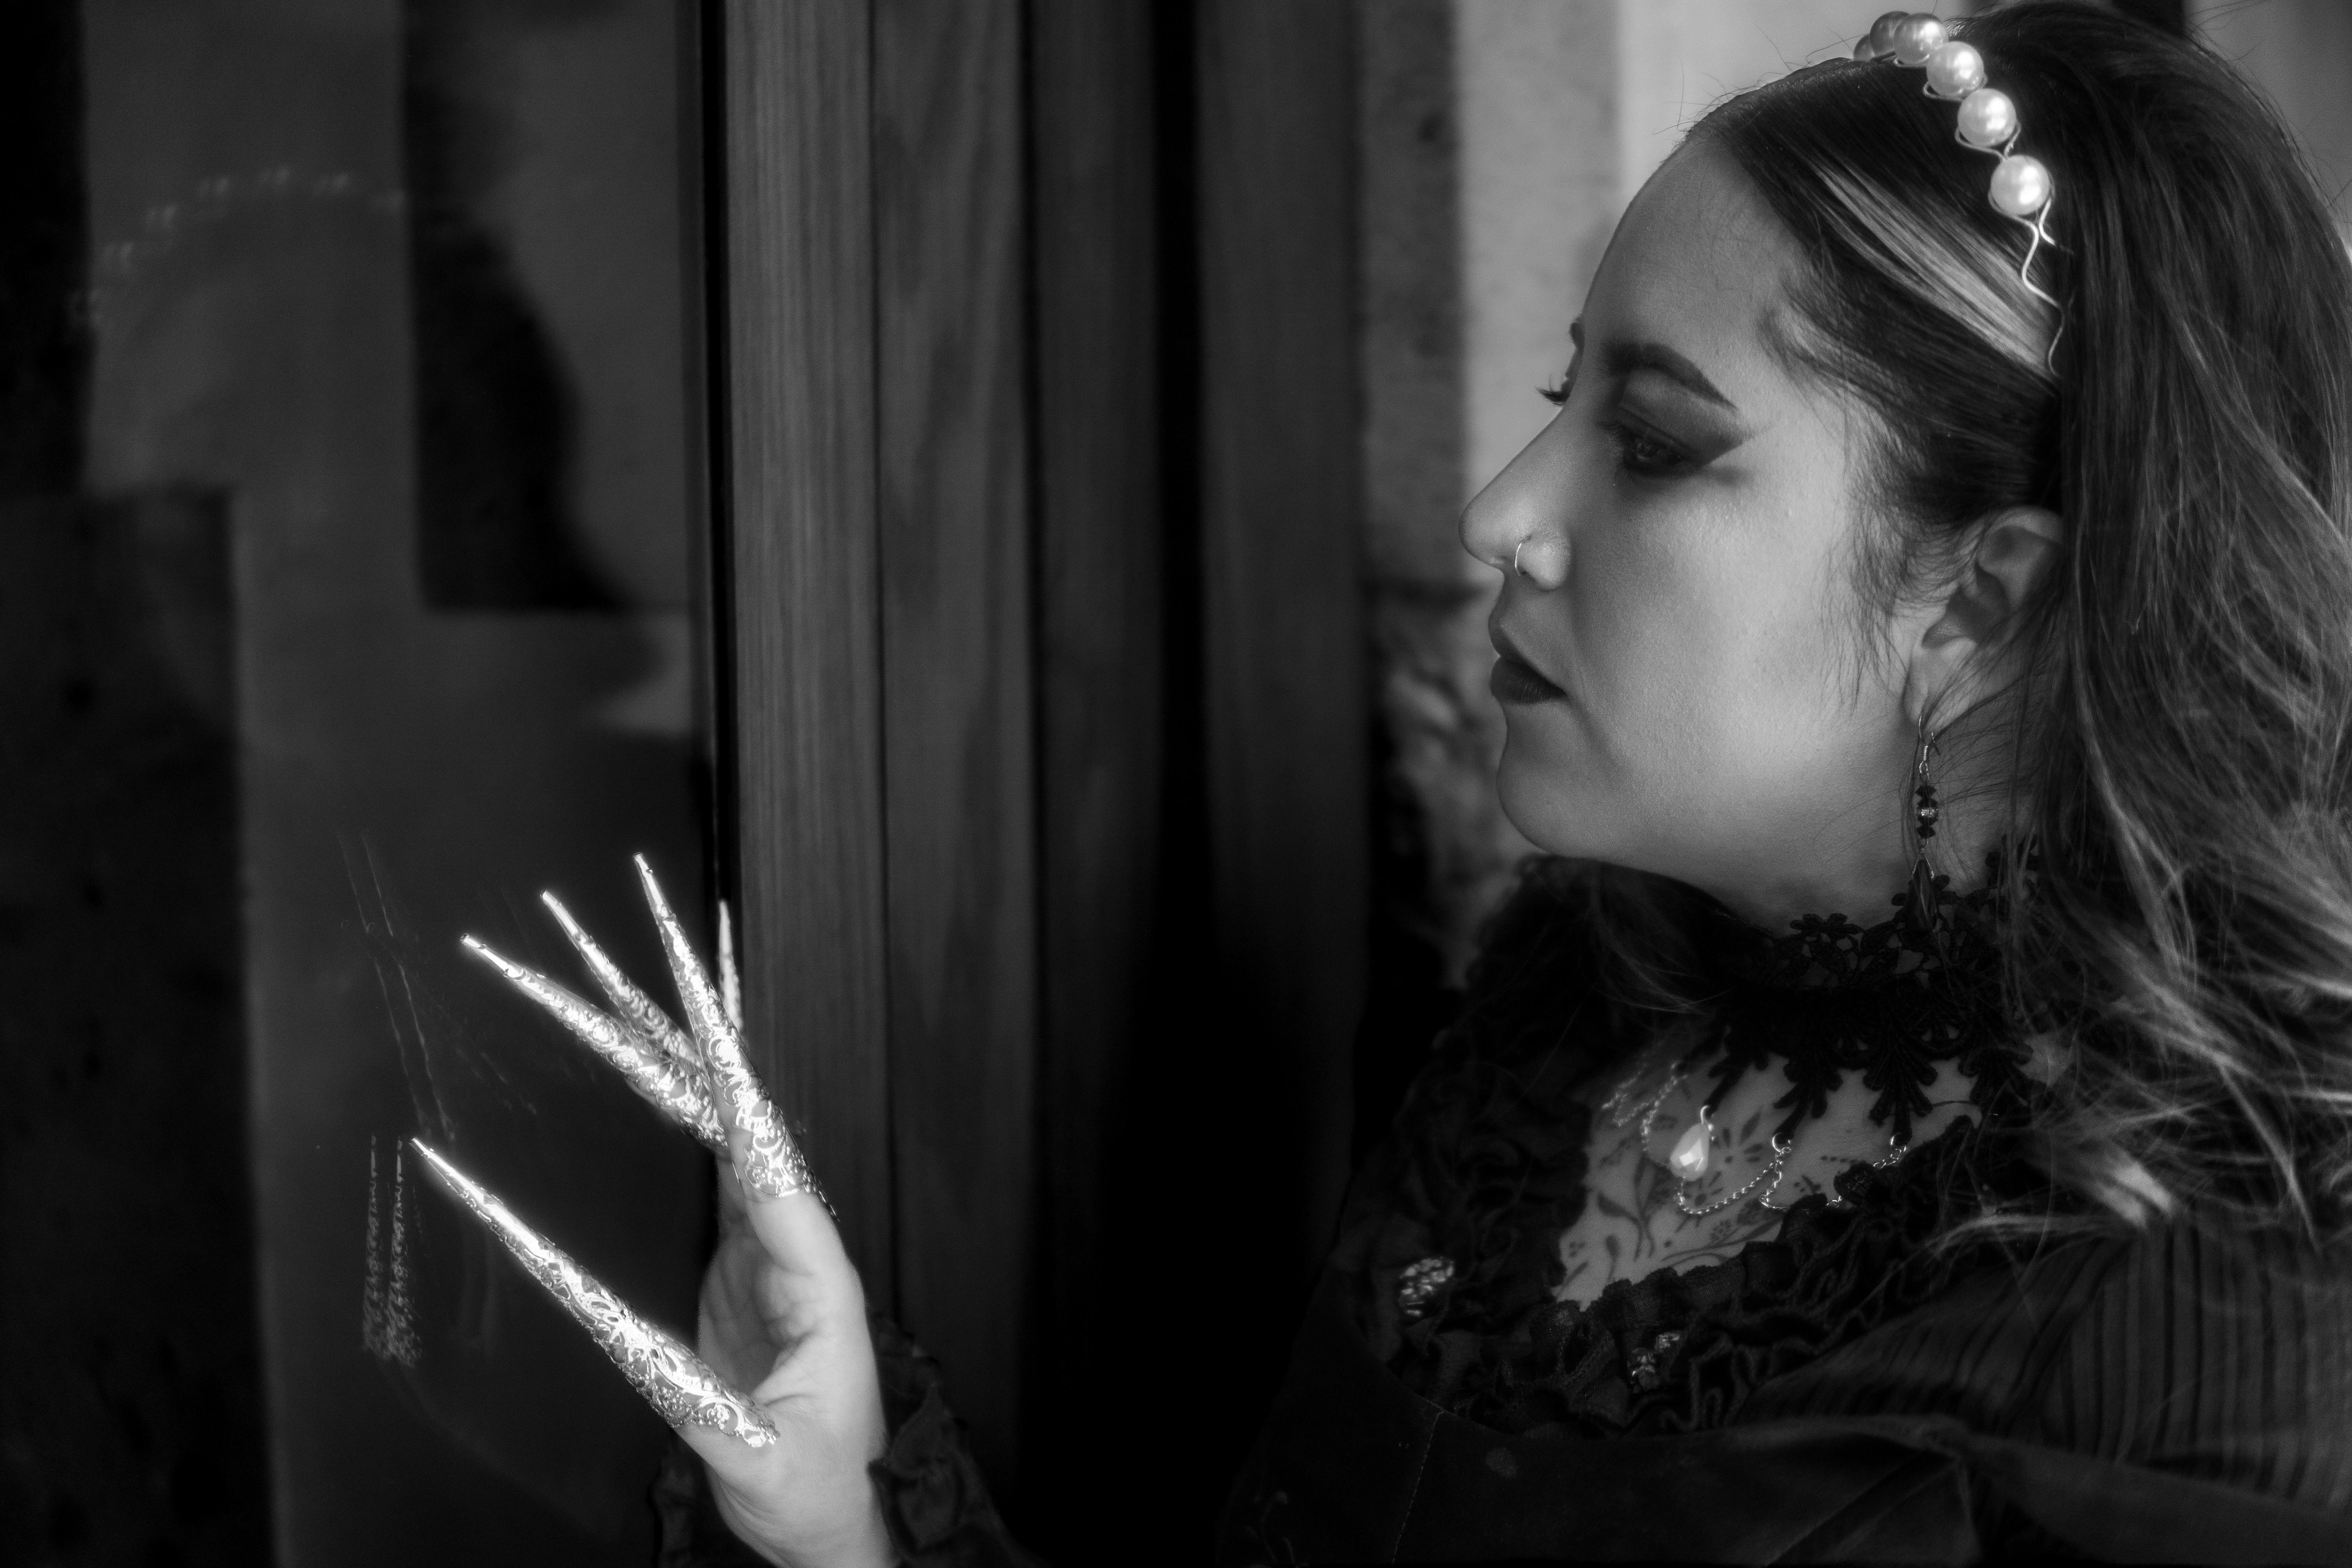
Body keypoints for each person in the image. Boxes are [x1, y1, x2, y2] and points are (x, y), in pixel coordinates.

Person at [653, 6, 2352, 1561]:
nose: (1501, 511)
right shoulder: (1574, 1000)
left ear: (1978, 599)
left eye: (1659, 443)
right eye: (1564, 393)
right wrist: (847, 1520)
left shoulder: (2218, 1320)